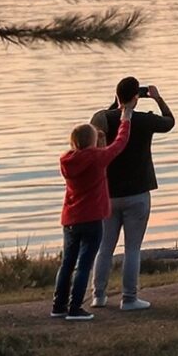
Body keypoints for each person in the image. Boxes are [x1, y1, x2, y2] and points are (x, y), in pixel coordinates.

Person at [90, 76, 175, 313]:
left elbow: (102, 121)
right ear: (137, 97)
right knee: (132, 248)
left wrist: (116, 103)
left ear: (117, 96)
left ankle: (98, 295)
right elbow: (169, 122)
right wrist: (158, 98)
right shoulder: (145, 120)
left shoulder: (103, 119)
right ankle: (129, 298)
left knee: (105, 247)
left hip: (109, 193)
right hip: (138, 192)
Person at [54, 101, 134, 321]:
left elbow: (89, 153)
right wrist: (125, 119)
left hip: (70, 219)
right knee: (84, 265)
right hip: (91, 218)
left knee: (67, 263)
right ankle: (75, 308)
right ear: (92, 141)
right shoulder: (97, 158)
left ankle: (58, 306)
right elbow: (119, 144)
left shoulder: (67, 160)